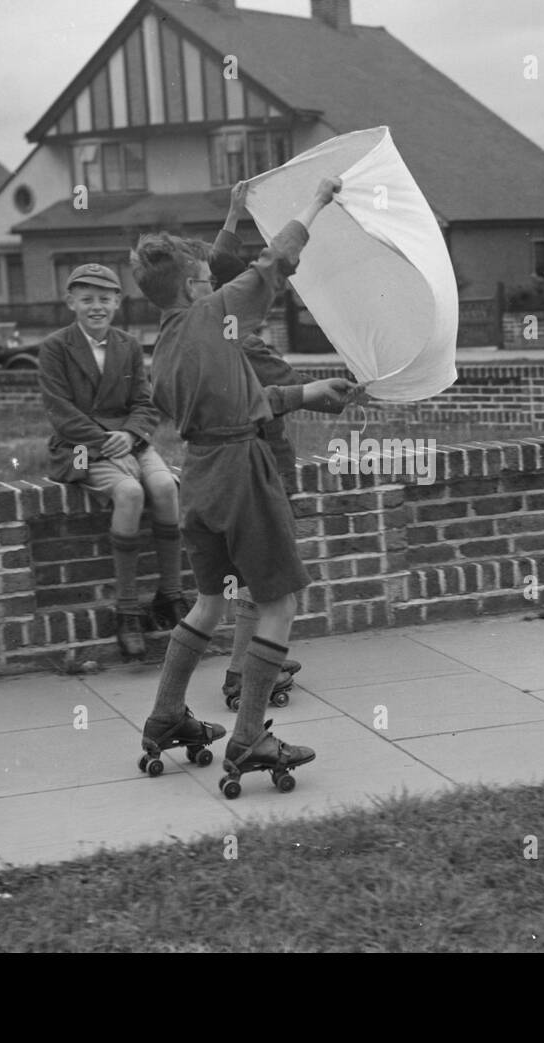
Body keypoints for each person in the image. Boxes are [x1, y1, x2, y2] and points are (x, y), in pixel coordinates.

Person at [130, 176, 356, 796]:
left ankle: (166, 716)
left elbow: (237, 402)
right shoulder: (218, 313)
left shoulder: (167, 346)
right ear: (193, 285)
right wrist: (318, 200)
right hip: (242, 476)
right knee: (278, 601)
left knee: (209, 603)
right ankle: (250, 735)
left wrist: (307, 394)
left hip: (198, 478)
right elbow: (275, 260)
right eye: (203, 273)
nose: (212, 277)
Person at [38, 263, 191, 658]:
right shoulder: (56, 347)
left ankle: (169, 594)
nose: (96, 307)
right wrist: (107, 443)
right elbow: (61, 412)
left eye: (105, 299)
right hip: (81, 445)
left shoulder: (127, 345)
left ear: (118, 303)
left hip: (130, 440)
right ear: (70, 302)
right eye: (86, 299)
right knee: (128, 493)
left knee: (163, 487)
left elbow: (144, 401)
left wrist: (130, 435)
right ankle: (126, 610)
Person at [208, 180, 310, 711]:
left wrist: (233, 213)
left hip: (228, 467)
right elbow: (291, 389)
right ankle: (243, 672)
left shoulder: (205, 323)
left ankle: (252, 658)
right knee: (270, 573)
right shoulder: (249, 348)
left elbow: (221, 267)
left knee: (258, 572)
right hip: (265, 463)